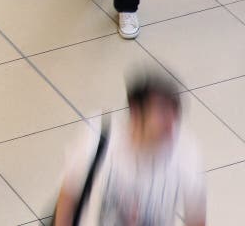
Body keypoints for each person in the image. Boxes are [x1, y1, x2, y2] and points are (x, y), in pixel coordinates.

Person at [54, 73, 206, 225]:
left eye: (174, 114)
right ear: (135, 111)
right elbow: (68, 196)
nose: (170, 124)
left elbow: (196, 217)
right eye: (161, 113)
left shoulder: (186, 152)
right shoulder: (98, 136)